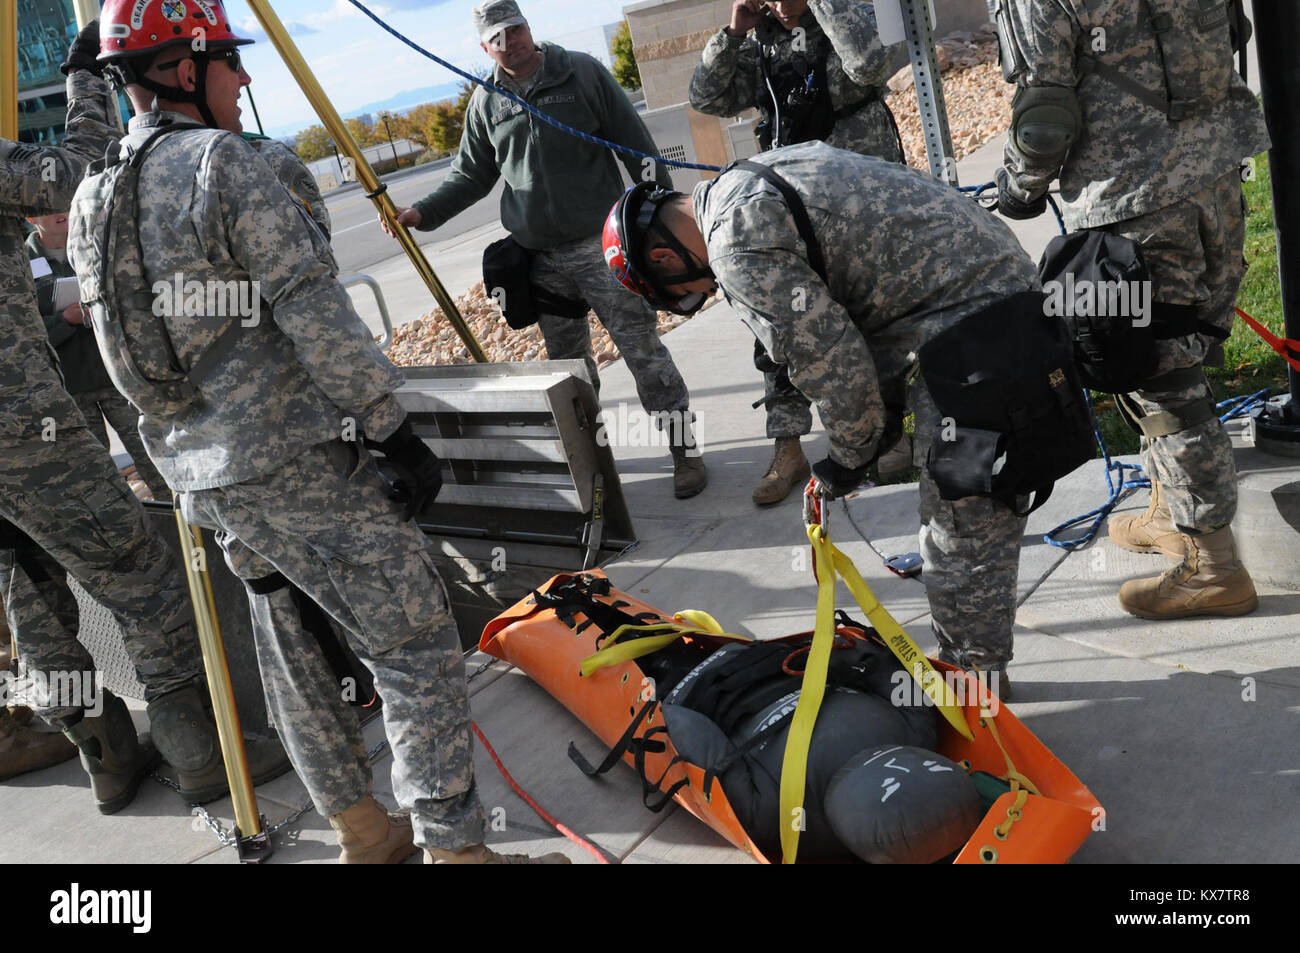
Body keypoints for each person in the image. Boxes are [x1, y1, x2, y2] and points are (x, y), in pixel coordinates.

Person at [71, 0, 564, 864]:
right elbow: (315, 309)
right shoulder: (225, 165)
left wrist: (190, 446)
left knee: (290, 644)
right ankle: (455, 848)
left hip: (208, 476)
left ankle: (364, 833)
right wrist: (390, 427)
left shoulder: (94, 196)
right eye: (229, 60)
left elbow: (122, 360)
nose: (246, 76)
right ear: (183, 70)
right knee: (412, 643)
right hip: (299, 458)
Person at [602, 141, 1049, 695]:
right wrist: (879, 420)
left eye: (691, 294)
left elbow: (835, 366)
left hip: (980, 336)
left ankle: (975, 693)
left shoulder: (736, 249)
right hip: (999, 300)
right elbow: (869, 290)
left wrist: (848, 457)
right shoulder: (756, 174)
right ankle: (972, 672)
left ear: (665, 260)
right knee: (965, 517)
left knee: (960, 526)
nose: (707, 293)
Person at [0, 20, 288, 813]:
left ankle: (105, 754)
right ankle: (199, 749)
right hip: (21, 432)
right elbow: (74, 173)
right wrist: (85, 78)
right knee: (139, 576)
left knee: (29, 582)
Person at [993, 0, 1269, 619]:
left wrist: (1018, 188)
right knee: (1187, 337)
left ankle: (1215, 567)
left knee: (1161, 379)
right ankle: (1167, 514)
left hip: (1131, 191)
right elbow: (1232, 31)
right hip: (1216, 165)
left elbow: (1044, 112)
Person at [384, 0, 707, 499]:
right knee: (569, 374)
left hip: (602, 248)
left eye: (514, 29)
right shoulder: (486, 102)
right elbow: (470, 175)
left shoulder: (580, 73)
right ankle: (591, 465)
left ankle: (684, 454)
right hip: (540, 261)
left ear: (528, 27)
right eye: (497, 37)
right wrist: (422, 214)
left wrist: (661, 221)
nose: (509, 41)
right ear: (483, 47)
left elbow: (635, 146)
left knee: (643, 352)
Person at [690, 0, 908, 504]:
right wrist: (734, 31)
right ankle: (788, 445)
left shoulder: (843, 12)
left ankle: (893, 436)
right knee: (776, 324)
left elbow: (871, 64)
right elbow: (707, 96)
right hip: (788, 201)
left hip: (857, 193)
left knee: (877, 312)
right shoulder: (760, 36)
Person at [25, 211, 171, 500]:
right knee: (94, 474)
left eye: (60, 204)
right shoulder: (19, 264)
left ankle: (181, 526)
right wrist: (64, 321)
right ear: (30, 219)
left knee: (154, 455)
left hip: (117, 376)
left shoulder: (94, 245)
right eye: (46, 208)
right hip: (67, 388)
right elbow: (21, 333)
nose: (58, 213)